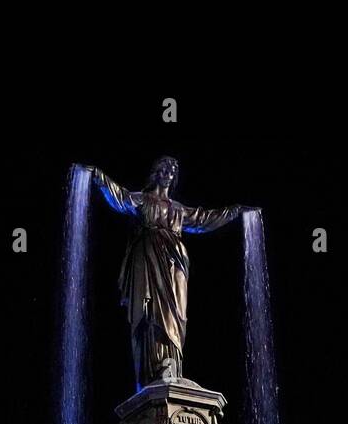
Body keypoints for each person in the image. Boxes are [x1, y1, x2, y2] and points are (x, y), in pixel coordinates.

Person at [89, 158, 243, 388]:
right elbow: (119, 197)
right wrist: (98, 176)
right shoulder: (141, 200)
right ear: (155, 172)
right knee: (149, 313)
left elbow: (205, 219)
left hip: (176, 263)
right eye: (164, 168)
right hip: (148, 258)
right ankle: (152, 370)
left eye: (173, 170)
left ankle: (172, 365)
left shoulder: (178, 209)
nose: (168, 173)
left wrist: (236, 211)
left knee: (176, 315)